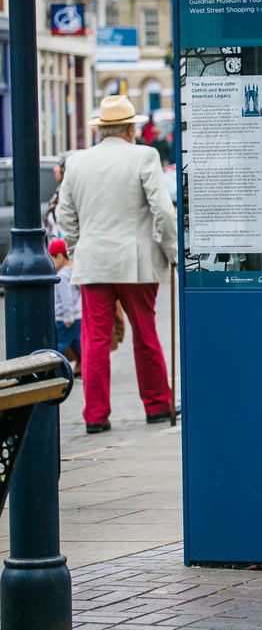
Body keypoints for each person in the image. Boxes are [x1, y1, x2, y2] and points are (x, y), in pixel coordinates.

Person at [57, 94, 178, 435]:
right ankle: (157, 406)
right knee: (145, 333)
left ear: (101, 132)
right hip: (136, 263)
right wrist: (171, 252)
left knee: (94, 340)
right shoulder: (144, 155)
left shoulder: (78, 161)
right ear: (129, 130)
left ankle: (96, 415)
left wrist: (78, 249)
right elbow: (162, 211)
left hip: (94, 261)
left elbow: (65, 214)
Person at [49, 238, 82, 377]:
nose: (51, 264)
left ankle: (50, 370)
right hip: (78, 315)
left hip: (65, 318)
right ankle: (84, 368)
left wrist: (68, 317)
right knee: (78, 343)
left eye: (52, 259)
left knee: (58, 346)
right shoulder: (75, 269)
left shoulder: (62, 275)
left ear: (60, 256)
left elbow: (66, 298)